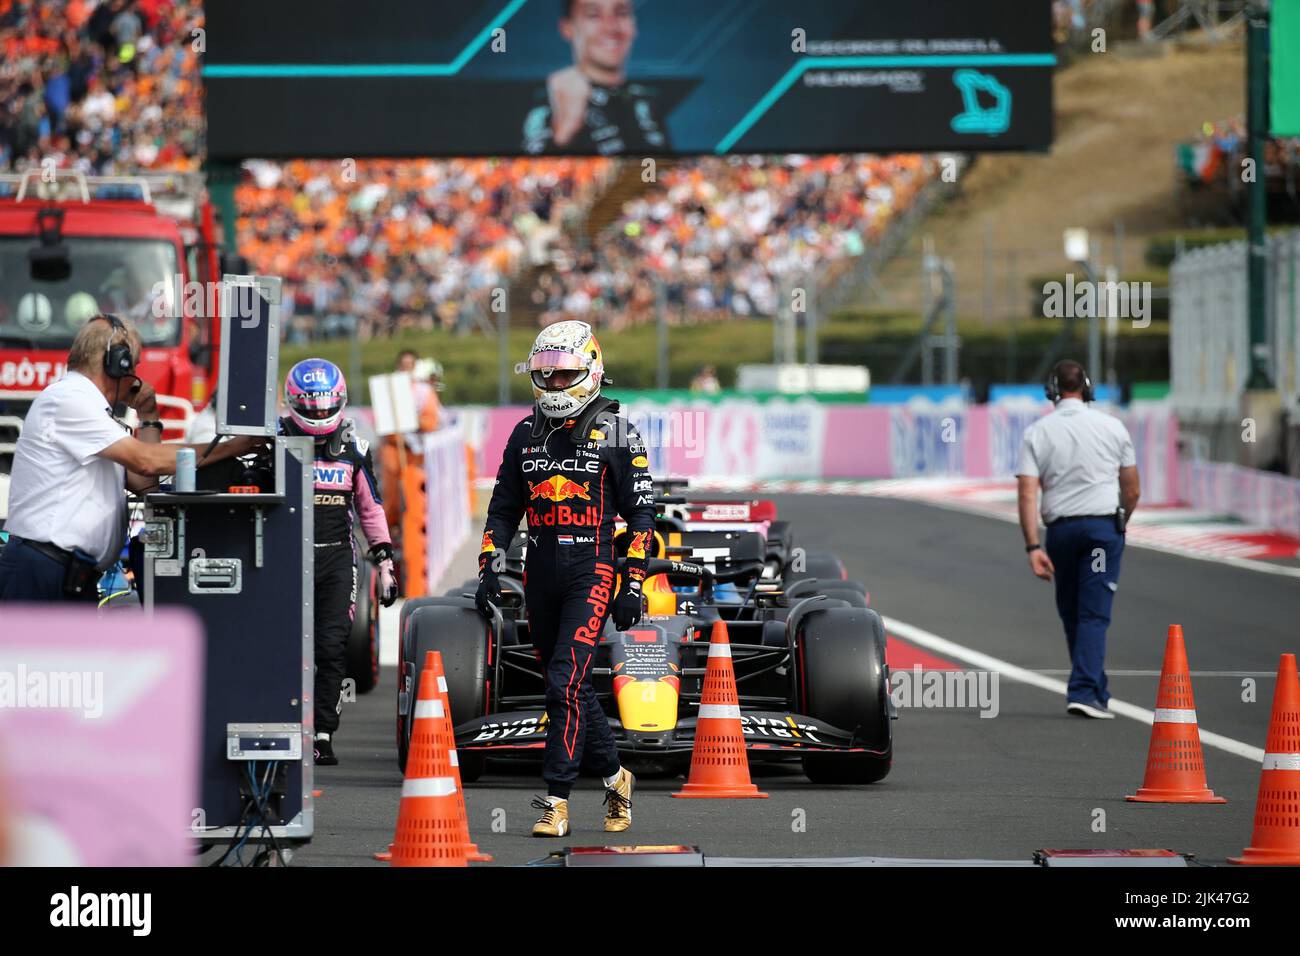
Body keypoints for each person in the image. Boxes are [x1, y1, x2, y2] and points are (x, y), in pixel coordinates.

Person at [476, 320, 654, 836]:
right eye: (545, 375)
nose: (554, 385)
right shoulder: (522, 433)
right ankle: (617, 778)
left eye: (564, 375)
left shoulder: (618, 432)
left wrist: (634, 582)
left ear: (591, 371)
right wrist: (490, 561)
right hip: (539, 574)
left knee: (562, 684)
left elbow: (643, 517)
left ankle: (555, 801)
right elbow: (503, 510)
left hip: (592, 571)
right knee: (569, 689)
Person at [1, 314, 257, 603]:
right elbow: (146, 461)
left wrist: (148, 415)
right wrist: (235, 446)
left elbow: (144, 483)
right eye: (133, 366)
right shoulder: (69, 399)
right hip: (43, 572)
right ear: (116, 364)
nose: (137, 375)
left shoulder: (90, 409)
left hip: (66, 574)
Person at [280, 358, 399, 765]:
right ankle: (281, 723)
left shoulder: (353, 449)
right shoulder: (271, 442)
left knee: (330, 648)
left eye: (323, 405)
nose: (316, 413)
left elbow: (371, 509)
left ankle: (323, 733)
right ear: (293, 403)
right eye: (309, 405)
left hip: (336, 558)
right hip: (283, 558)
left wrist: (385, 561)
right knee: (283, 645)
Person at [1016, 360, 1141, 719]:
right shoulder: (1113, 427)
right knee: (1093, 612)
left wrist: (1032, 546)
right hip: (1101, 531)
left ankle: (1092, 688)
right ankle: (1086, 691)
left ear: (1051, 391)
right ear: (1087, 387)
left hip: (1061, 532)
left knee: (1073, 610)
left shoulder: (1037, 432)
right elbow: (1132, 489)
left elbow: (1027, 494)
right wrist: (1120, 523)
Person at [522, 0, 672, 156]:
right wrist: (562, 134)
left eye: (621, 13)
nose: (611, 27)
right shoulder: (546, 103)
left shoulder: (647, 99)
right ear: (567, 28)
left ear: (634, 25)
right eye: (593, 15)